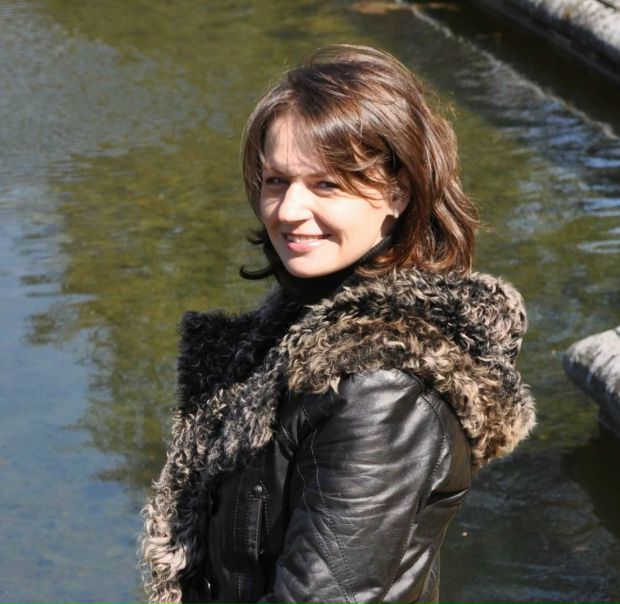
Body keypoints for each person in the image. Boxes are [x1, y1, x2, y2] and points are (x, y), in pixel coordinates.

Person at [140, 44, 536, 604]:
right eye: (276, 181)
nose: (288, 210)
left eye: (326, 185)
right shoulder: (291, 336)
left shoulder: (381, 388)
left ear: (398, 191)